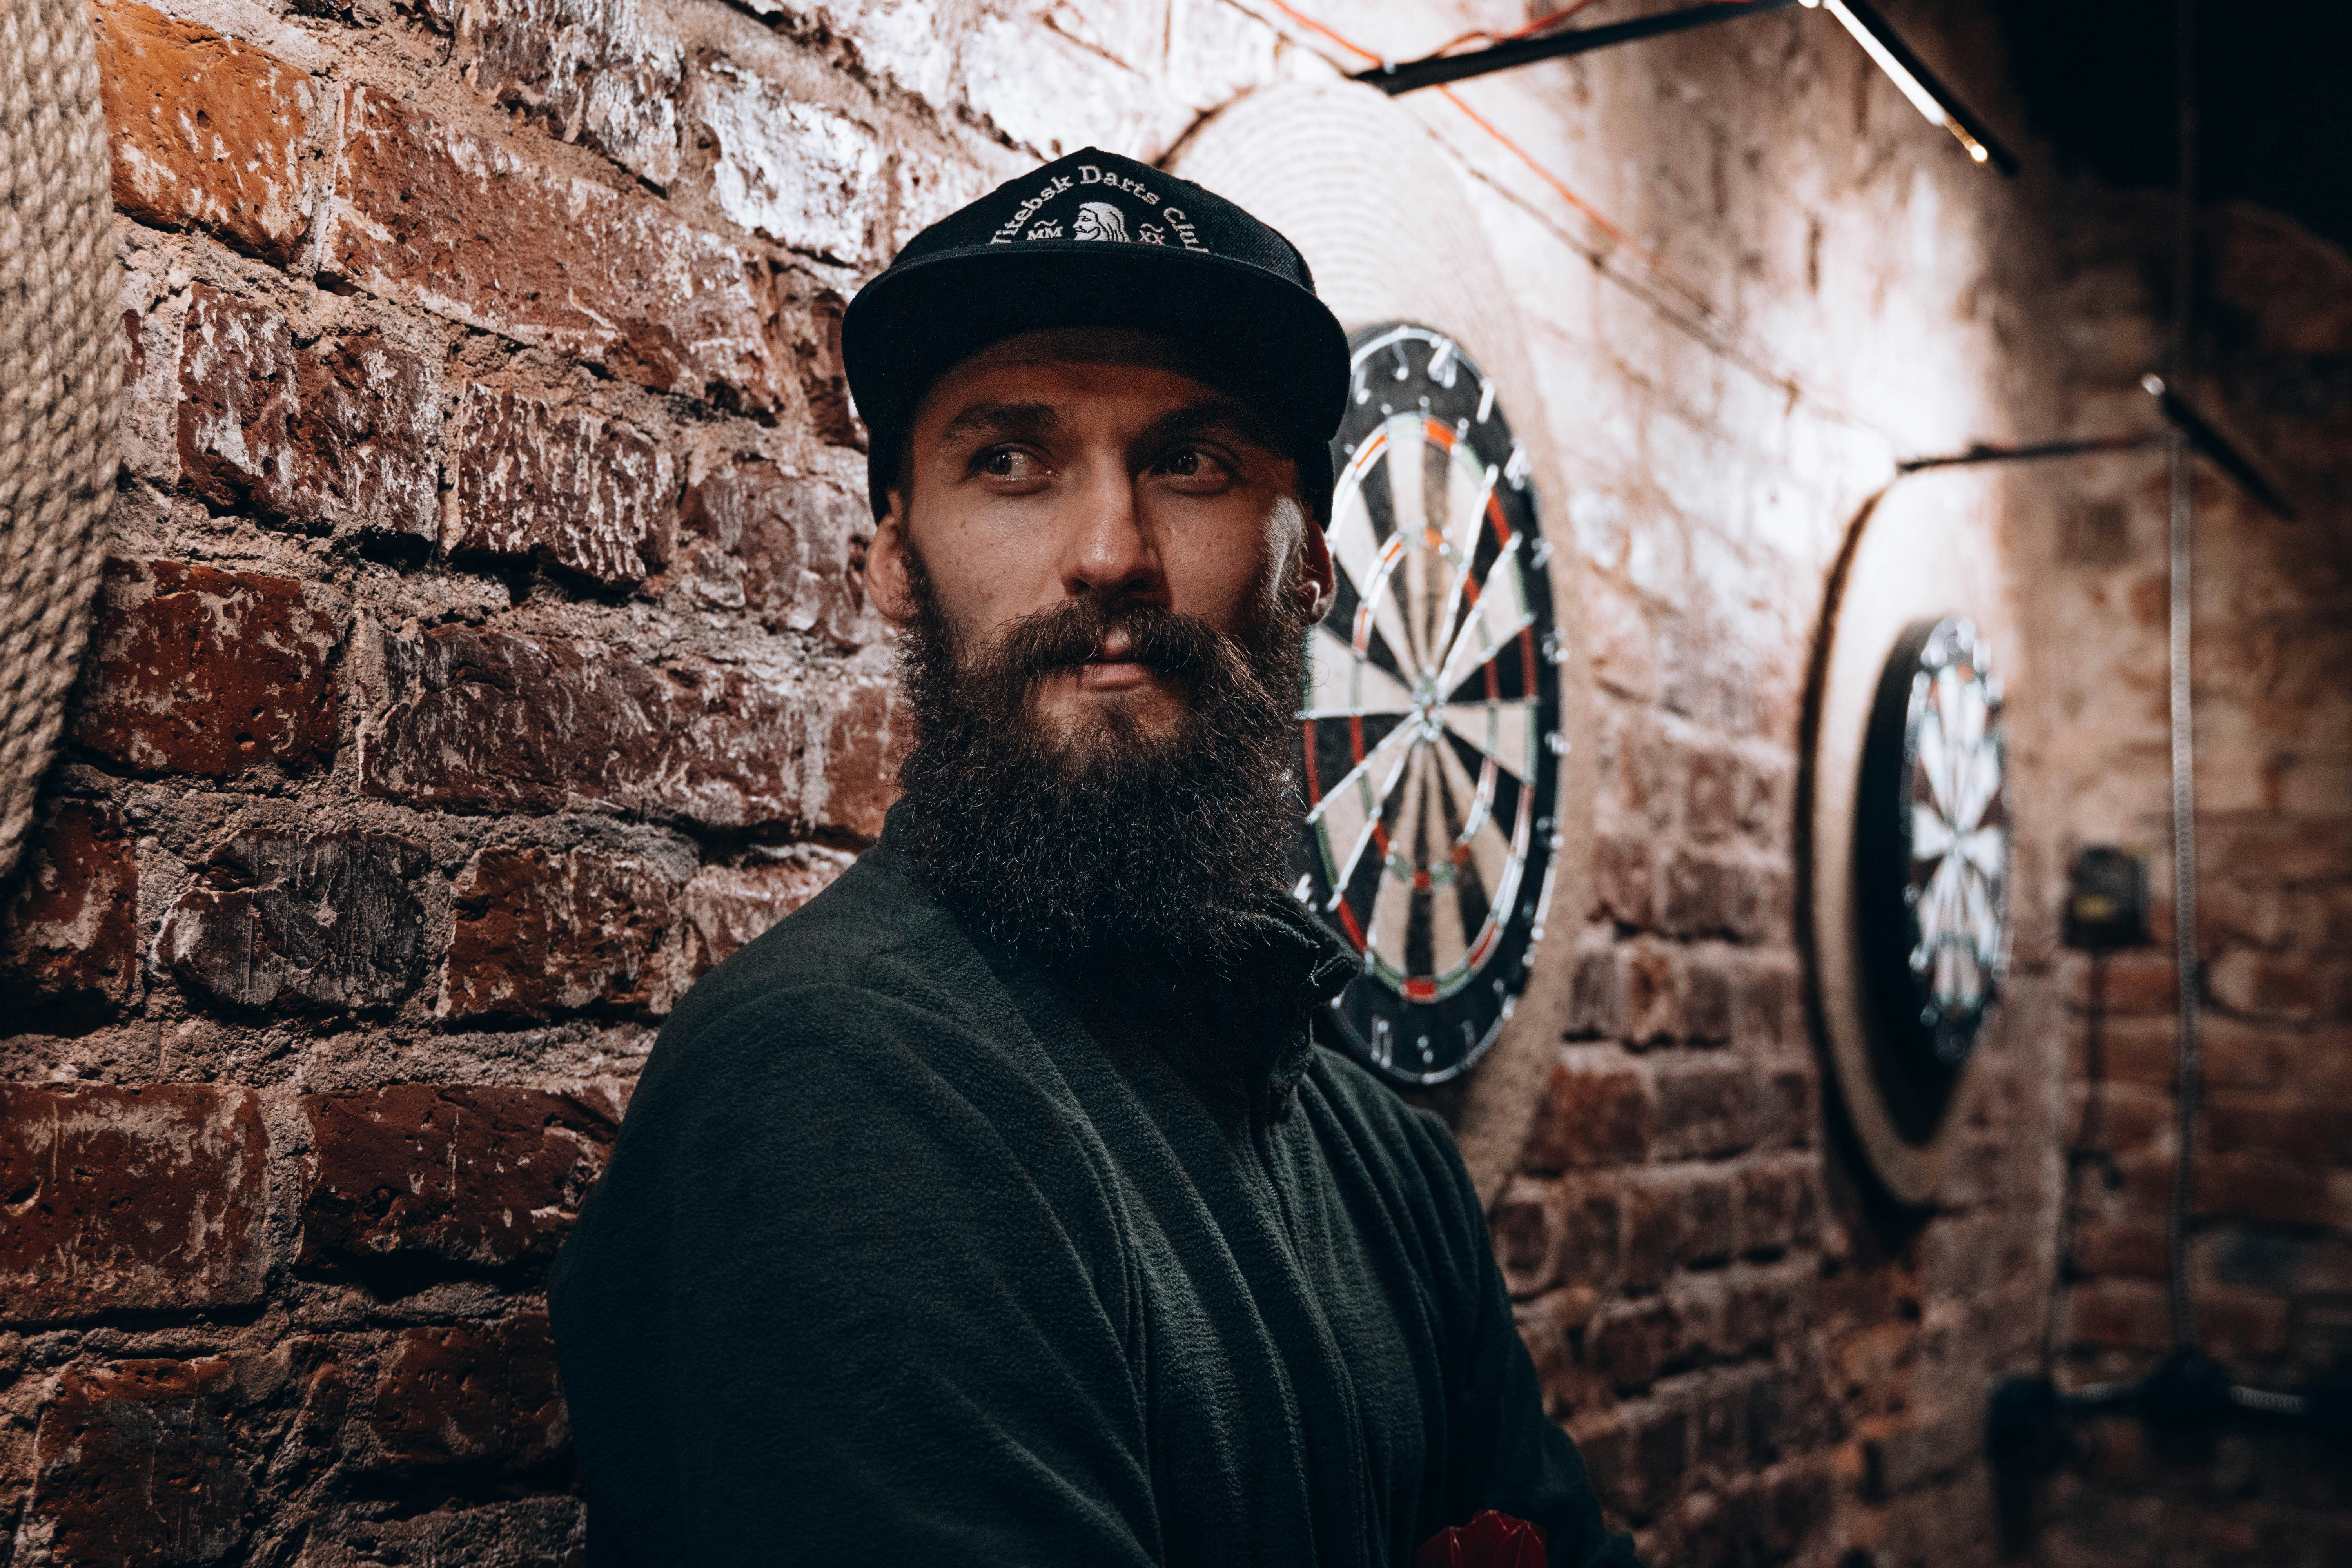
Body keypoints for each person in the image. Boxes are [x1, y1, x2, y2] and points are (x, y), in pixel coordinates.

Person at [550, 147, 1638, 1568]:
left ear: (1309, 559)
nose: (1112, 552)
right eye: (1010, 462)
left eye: (1191, 462)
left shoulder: (1389, 1167)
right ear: (895, 558)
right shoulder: (832, 1092)